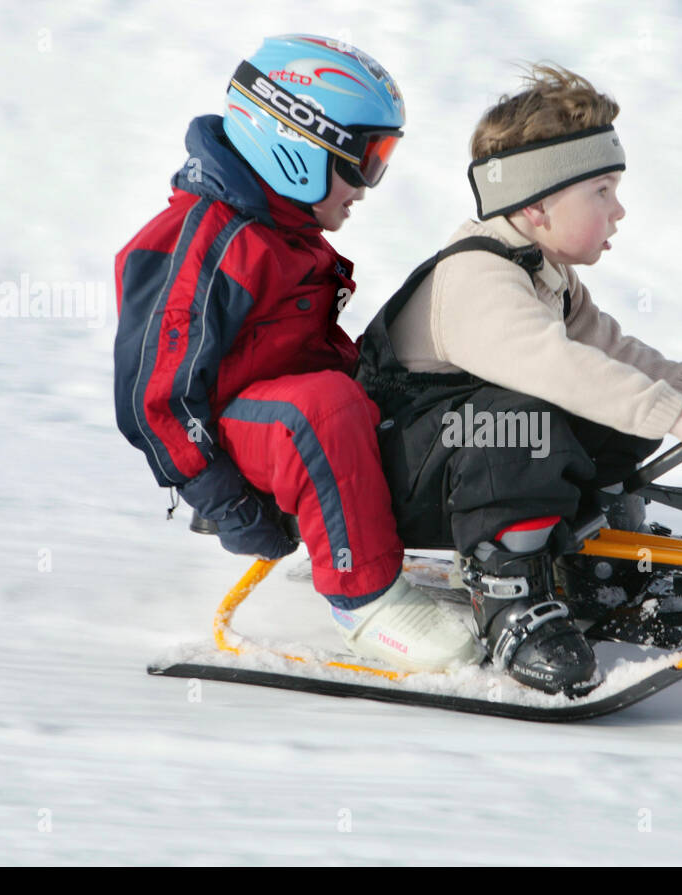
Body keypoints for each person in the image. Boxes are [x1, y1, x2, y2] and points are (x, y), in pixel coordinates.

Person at [356, 65, 682, 697]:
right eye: (601, 191)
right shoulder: (477, 276)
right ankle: (511, 598)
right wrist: (671, 413)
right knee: (524, 418)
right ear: (537, 203)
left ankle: (591, 555)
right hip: (402, 477)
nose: (619, 209)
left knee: (600, 402)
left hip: (454, 465)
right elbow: (556, 366)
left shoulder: (543, 271)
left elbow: (609, 348)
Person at [113, 34, 478, 672]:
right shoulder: (209, 240)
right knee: (324, 407)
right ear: (297, 145)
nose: (367, 186)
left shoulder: (281, 227)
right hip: (237, 438)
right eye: (363, 160)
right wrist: (227, 504)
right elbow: (155, 398)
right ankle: (365, 603)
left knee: (409, 367)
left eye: (381, 159)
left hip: (288, 415)